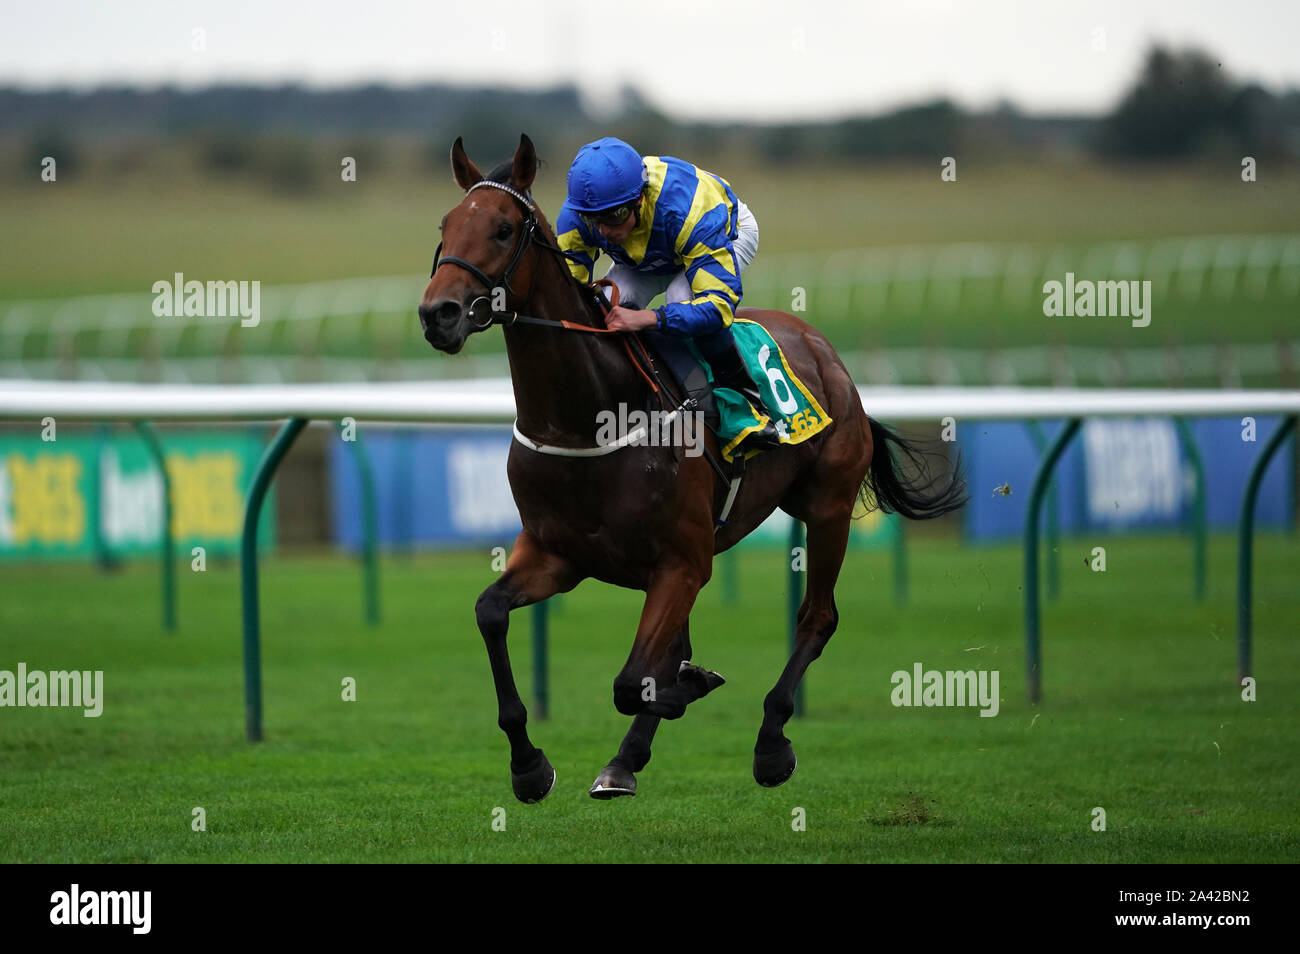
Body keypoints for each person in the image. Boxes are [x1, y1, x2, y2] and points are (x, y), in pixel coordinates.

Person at [556, 137, 781, 448]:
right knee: (605, 306)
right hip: (650, 249)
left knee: (680, 295)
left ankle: (746, 408)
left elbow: (717, 307)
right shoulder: (577, 218)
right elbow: (570, 295)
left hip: (724, 232)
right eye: (594, 220)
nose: (605, 231)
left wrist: (647, 318)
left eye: (615, 217)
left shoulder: (690, 211)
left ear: (639, 200)